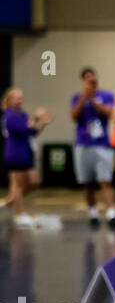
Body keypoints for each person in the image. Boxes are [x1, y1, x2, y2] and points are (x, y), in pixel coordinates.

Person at [70, 67, 115, 229]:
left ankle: (112, 212)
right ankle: (92, 212)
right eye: (87, 80)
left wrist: (93, 101)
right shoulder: (77, 97)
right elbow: (74, 116)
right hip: (83, 144)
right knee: (88, 182)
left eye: (93, 80)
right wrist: (84, 98)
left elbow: (110, 113)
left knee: (105, 180)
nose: (91, 82)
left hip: (102, 144)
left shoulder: (106, 96)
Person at [2, 89, 51, 228]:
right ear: (9, 100)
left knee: (34, 182)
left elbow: (32, 131)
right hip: (15, 154)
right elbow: (22, 128)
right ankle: (19, 214)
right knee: (18, 185)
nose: (20, 100)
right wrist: (36, 117)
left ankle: (11, 201)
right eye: (17, 98)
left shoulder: (22, 114)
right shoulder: (9, 115)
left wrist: (43, 123)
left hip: (26, 153)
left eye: (21, 98)